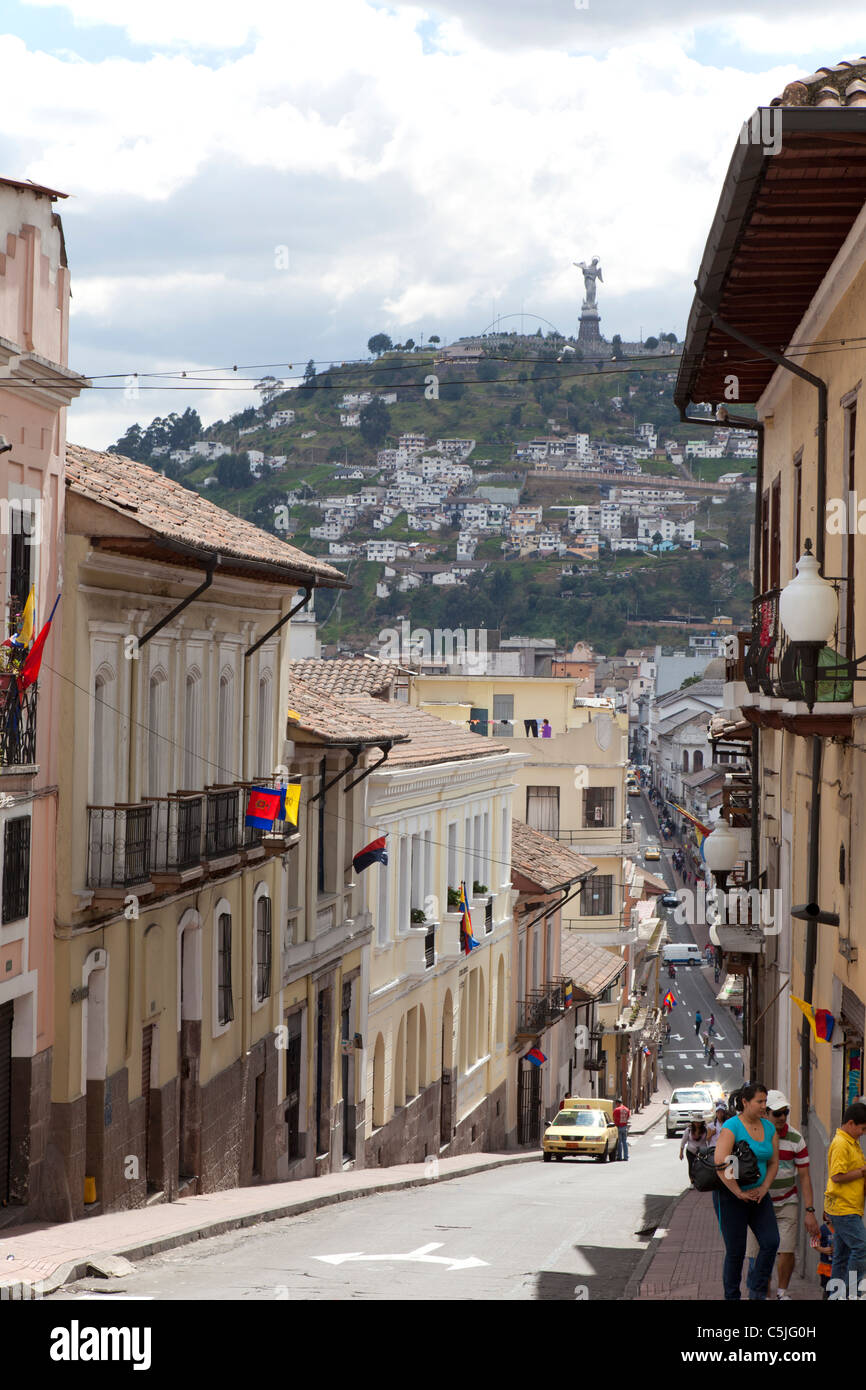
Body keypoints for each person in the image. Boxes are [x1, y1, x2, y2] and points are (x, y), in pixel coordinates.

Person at [744, 1089, 820, 1300]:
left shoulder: (796, 1138)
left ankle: (781, 1292)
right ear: (766, 1113)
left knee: (786, 1249)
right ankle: (764, 1294)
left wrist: (810, 1211)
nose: (782, 1117)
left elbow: (804, 1177)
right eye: (777, 1113)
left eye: (785, 1112)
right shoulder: (754, 1135)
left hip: (787, 1201)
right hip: (758, 1203)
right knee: (758, 1255)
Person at [711, 1082, 780, 1300]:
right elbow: (720, 1163)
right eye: (759, 1101)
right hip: (730, 1197)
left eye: (765, 1102)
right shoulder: (732, 1126)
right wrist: (738, 1192)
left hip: (758, 1195)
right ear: (745, 1102)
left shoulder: (769, 1128)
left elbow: (773, 1162)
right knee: (736, 1251)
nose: (763, 1106)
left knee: (771, 1242)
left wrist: (764, 1188)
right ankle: (732, 1297)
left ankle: (757, 1291)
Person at [822, 1100, 866, 1299]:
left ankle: (834, 1294)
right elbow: (837, 1176)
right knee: (861, 1249)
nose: (863, 1133)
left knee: (841, 1255)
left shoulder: (851, 1142)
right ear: (850, 1123)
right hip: (843, 1207)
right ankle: (850, 1292)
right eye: (862, 1128)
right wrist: (862, 1172)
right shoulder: (841, 1144)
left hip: (847, 1206)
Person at [816, 1214, 834, 1298]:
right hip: (826, 1267)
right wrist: (822, 1249)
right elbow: (813, 1242)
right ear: (826, 1217)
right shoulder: (823, 1229)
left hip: (840, 1267)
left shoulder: (843, 1230)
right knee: (827, 1289)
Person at [612, 1097, 631, 1161]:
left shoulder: (616, 1110)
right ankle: (626, 1157)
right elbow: (628, 1117)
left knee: (619, 1143)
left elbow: (614, 1118)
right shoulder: (627, 1109)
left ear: (617, 1103)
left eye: (616, 1103)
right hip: (624, 1127)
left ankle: (619, 1156)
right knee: (624, 1142)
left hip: (618, 1127)